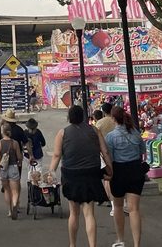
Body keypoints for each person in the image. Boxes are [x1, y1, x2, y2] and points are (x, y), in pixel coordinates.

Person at [50, 105, 112, 247]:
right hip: (91, 172)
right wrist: (110, 169)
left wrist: (51, 172)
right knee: (89, 213)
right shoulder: (94, 130)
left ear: (69, 117)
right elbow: (105, 151)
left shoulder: (63, 133)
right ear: (83, 116)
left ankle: (73, 244)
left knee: (74, 212)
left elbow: (57, 155)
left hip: (71, 174)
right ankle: (92, 245)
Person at [105, 105, 147, 247]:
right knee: (134, 208)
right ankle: (137, 243)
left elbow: (109, 157)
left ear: (113, 119)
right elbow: (142, 149)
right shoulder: (135, 133)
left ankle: (120, 239)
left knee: (117, 206)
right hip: (135, 170)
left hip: (119, 171)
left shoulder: (110, 137)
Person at [0, 120, 24, 219]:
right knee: (15, 191)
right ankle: (15, 203)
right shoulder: (14, 143)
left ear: (2, 132)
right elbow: (19, 156)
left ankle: (10, 211)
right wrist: (19, 161)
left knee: (7, 190)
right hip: (14, 167)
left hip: (3, 168)